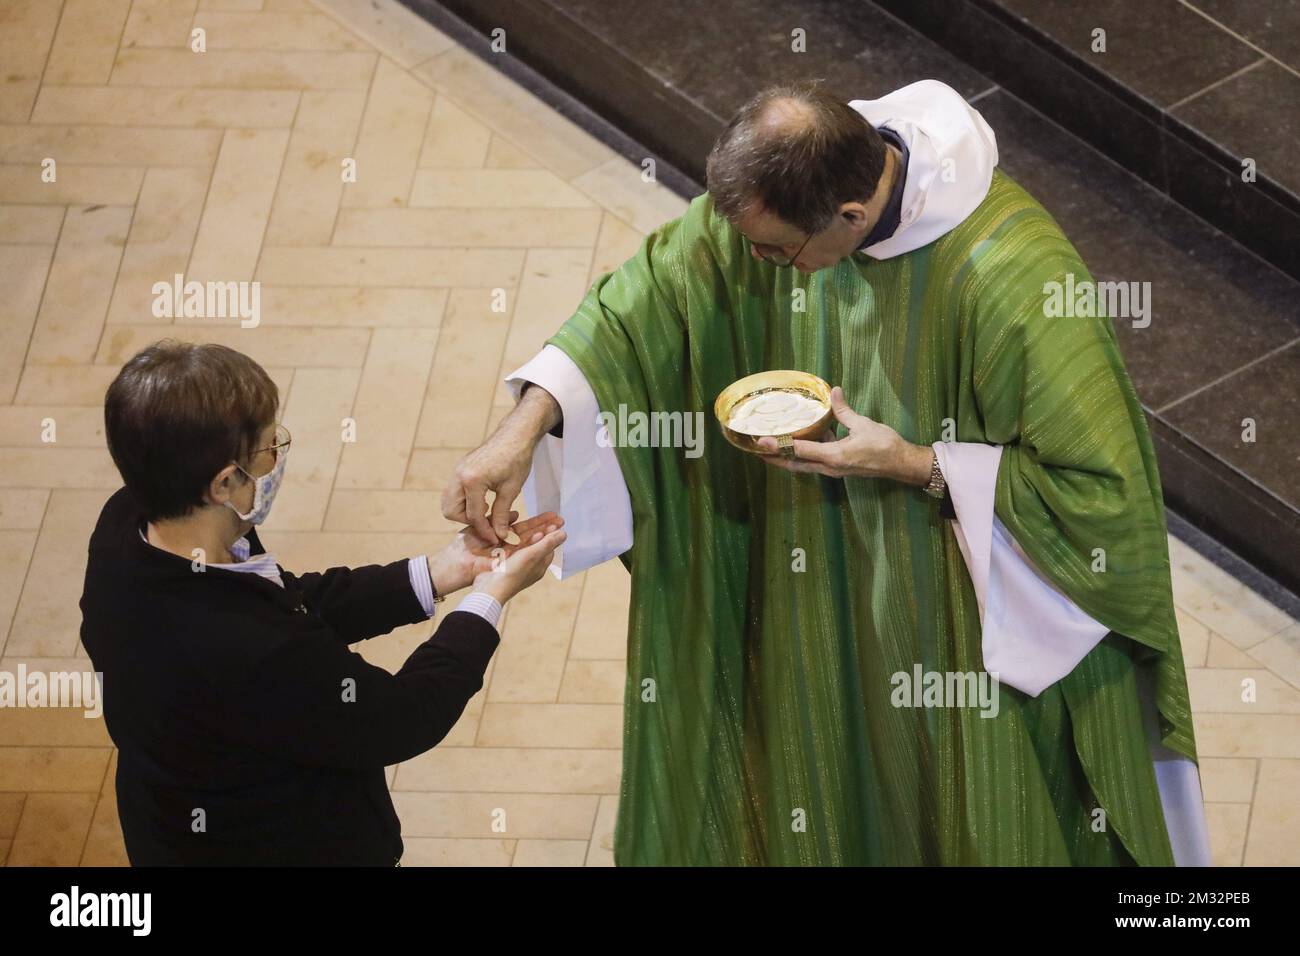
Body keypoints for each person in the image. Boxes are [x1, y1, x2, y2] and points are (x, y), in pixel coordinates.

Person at [441, 79, 1211, 865]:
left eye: (779, 252)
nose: (760, 265)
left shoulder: (1015, 280)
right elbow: (641, 304)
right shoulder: (791, 187)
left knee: (957, 804)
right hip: (803, 571)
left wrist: (914, 463)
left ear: (850, 216)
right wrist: (524, 421)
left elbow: (1104, 498)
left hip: (946, 608)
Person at [81, 339, 566, 865]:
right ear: (224, 482)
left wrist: (438, 571)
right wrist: (489, 598)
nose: (276, 456)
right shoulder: (246, 651)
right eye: (269, 446)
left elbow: (287, 600)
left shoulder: (130, 523)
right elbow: (397, 719)